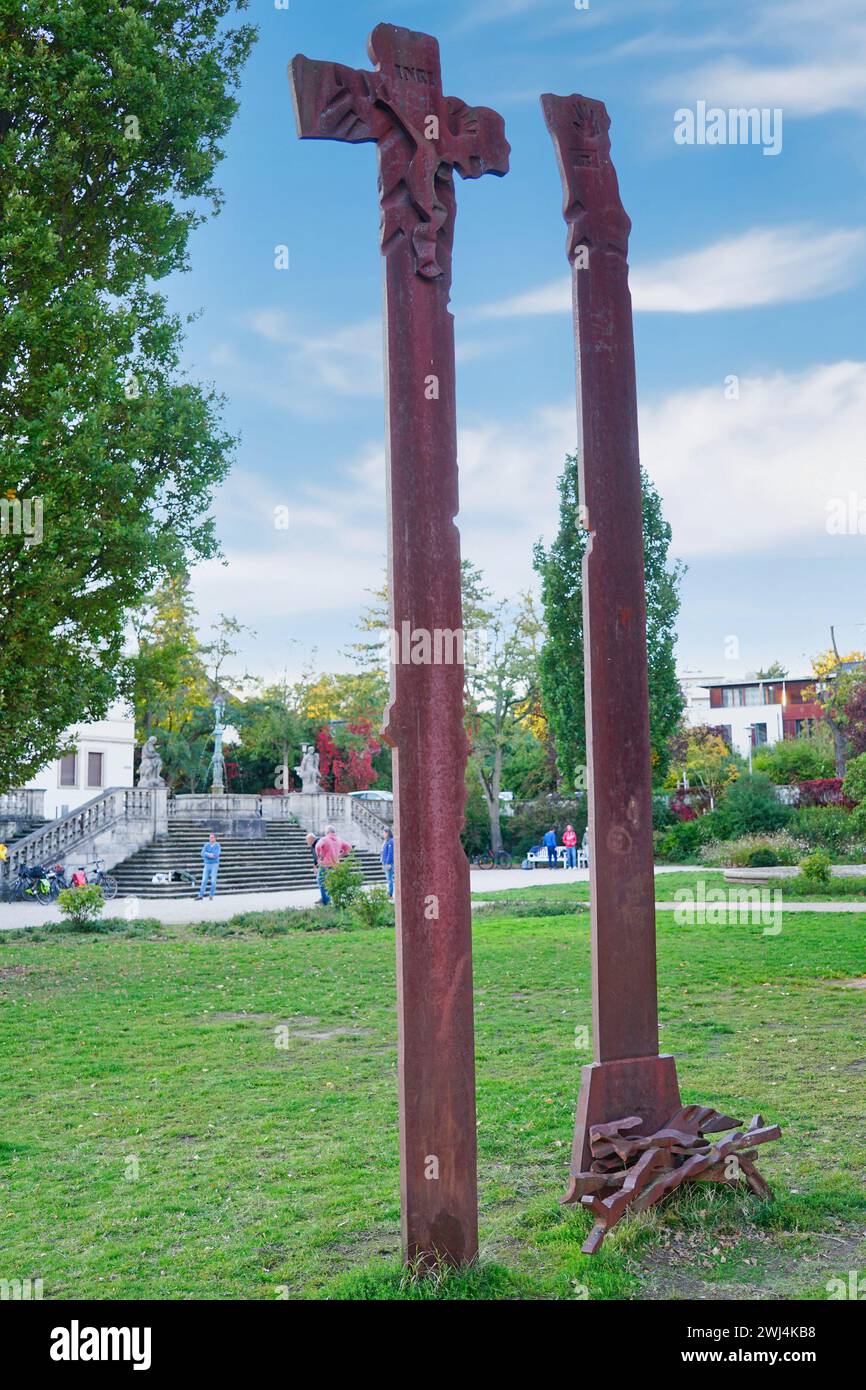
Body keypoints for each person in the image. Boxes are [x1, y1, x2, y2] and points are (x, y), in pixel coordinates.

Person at [315, 825, 352, 906]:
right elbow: (349, 847)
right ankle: (330, 899)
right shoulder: (339, 840)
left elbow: (317, 846)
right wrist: (341, 855)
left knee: (321, 881)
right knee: (331, 882)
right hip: (335, 864)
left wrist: (319, 856)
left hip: (325, 864)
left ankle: (326, 901)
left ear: (327, 832)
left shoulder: (324, 839)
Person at [198, 832, 220, 900]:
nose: (211, 839)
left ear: (215, 838)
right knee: (204, 880)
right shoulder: (206, 845)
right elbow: (202, 853)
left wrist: (206, 854)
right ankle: (200, 896)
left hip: (214, 865)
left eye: (212, 837)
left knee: (213, 881)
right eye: (210, 837)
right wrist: (208, 854)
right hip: (207, 864)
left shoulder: (217, 846)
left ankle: (211, 895)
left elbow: (215, 855)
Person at [381, 827, 395, 899]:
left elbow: (390, 853)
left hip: (388, 863)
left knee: (389, 879)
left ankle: (390, 894)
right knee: (388, 878)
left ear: (387, 833)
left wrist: (387, 863)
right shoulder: (386, 841)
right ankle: (389, 893)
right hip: (385, 862)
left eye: (384, 832)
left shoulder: (390, 841)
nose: (383, 834)